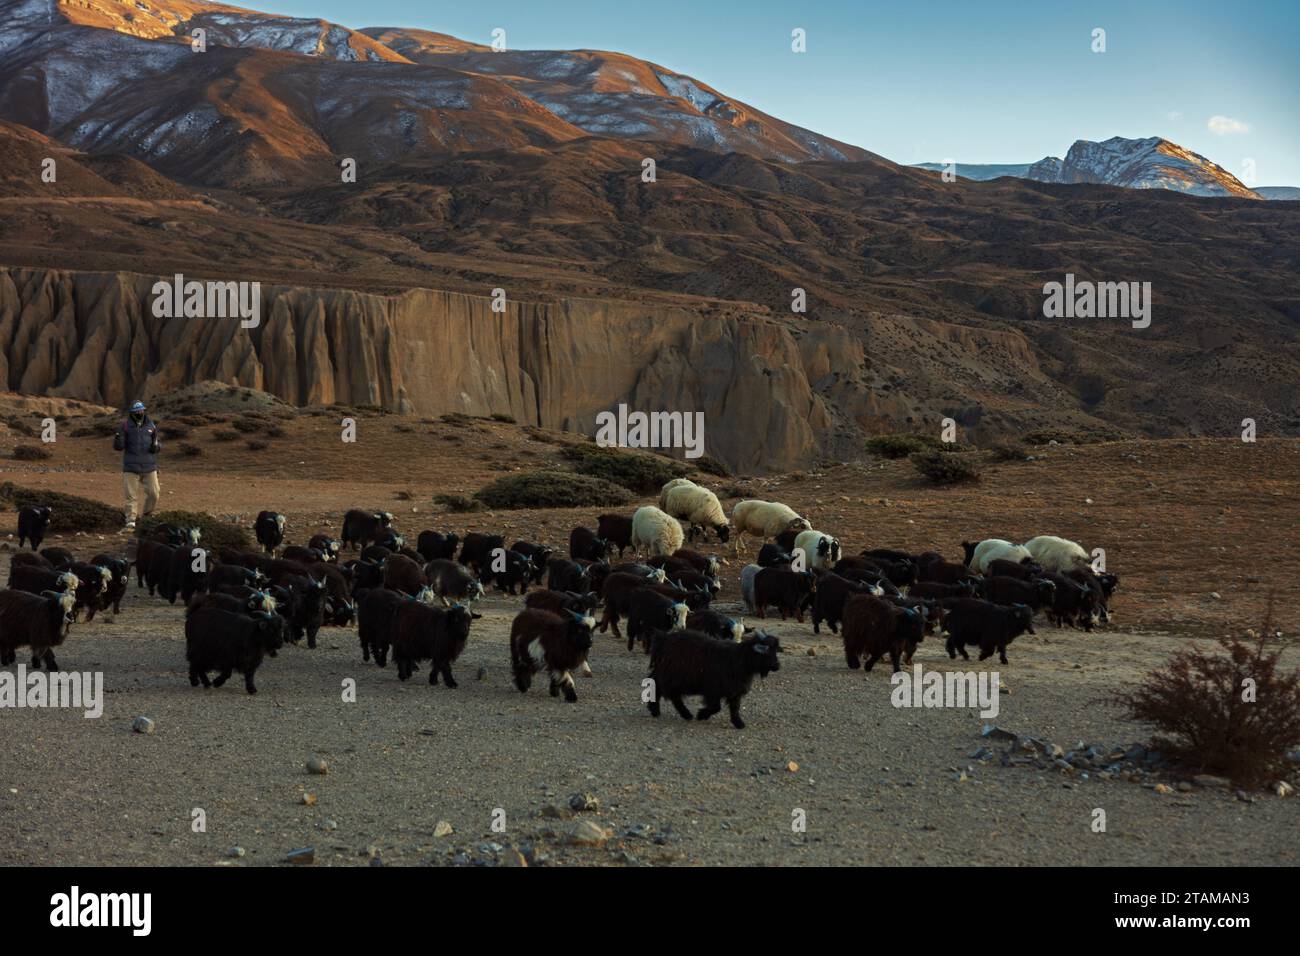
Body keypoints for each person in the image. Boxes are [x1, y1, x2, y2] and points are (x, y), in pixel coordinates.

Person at [113, 400, 161, 532]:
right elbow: (118, 447)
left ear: (144, 411)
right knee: (131, 495)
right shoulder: (125, 426)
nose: (139, 413)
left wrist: (156, 447)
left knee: (154, 493)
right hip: (131, 467)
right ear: (132, 413)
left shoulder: (151, 425)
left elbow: (158, 443)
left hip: (149, 466)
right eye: (136, 411)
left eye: (141, 410)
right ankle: (131, 521)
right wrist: (118, 440)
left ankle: (147, 514)